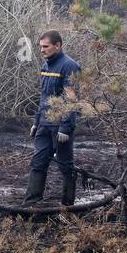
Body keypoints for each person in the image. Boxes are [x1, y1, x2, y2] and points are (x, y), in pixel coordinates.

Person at [24, 30, 82, 206]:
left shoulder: (70, 66)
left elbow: (71, 100)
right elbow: (43, 97)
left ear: (58, 46)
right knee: (38, 162)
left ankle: (67, 204)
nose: (42, 50)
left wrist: (65, 127)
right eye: (40, 47)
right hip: (44, 125)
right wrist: (36, 122)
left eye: (46, 47)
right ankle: (31, 204)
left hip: (60, 126)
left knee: (65, 165)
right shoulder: (45, 65)